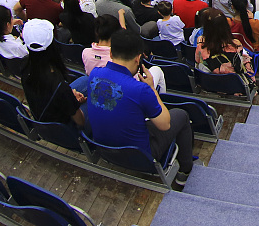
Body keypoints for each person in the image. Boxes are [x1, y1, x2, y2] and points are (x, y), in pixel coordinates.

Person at [85, 27, 193, 184]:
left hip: (104, 148)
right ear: (138, 59)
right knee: (181, 115)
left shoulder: (94, 74)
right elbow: (165, 124)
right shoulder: (141, 89)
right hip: (140, 156)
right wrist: (151, 90)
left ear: (110, 53)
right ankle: (185, 170)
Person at [20, 19, 86, 128]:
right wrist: (72, 100)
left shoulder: (25, 64)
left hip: (48, 110)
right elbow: (80, 121)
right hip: (62, 127)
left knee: (85, 80)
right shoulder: (58, 85)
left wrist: (70, 95)